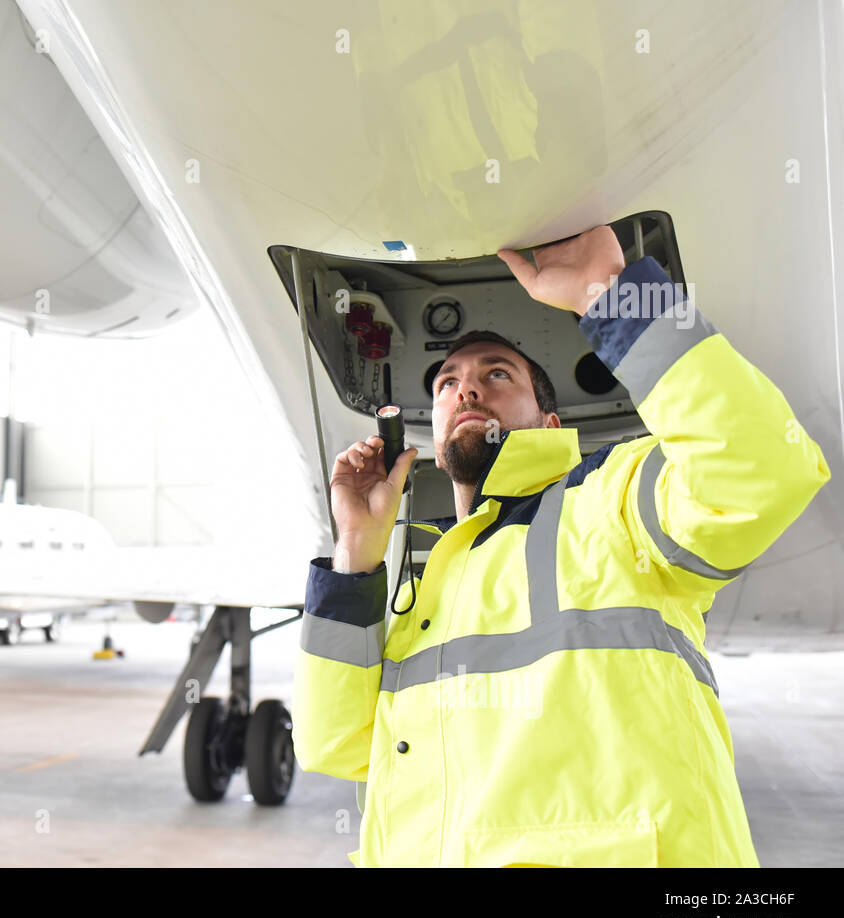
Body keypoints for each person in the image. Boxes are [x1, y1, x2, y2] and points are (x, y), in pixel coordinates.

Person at [291, 224, 831, 867]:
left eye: (497, 374)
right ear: (432, 434)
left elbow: (762, 470)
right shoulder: (429, 588)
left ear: (550, 423)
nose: (466, 389)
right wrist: (356, 552)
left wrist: (611, 294)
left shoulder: (606, 504)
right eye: (446, 384)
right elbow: (338, 745)